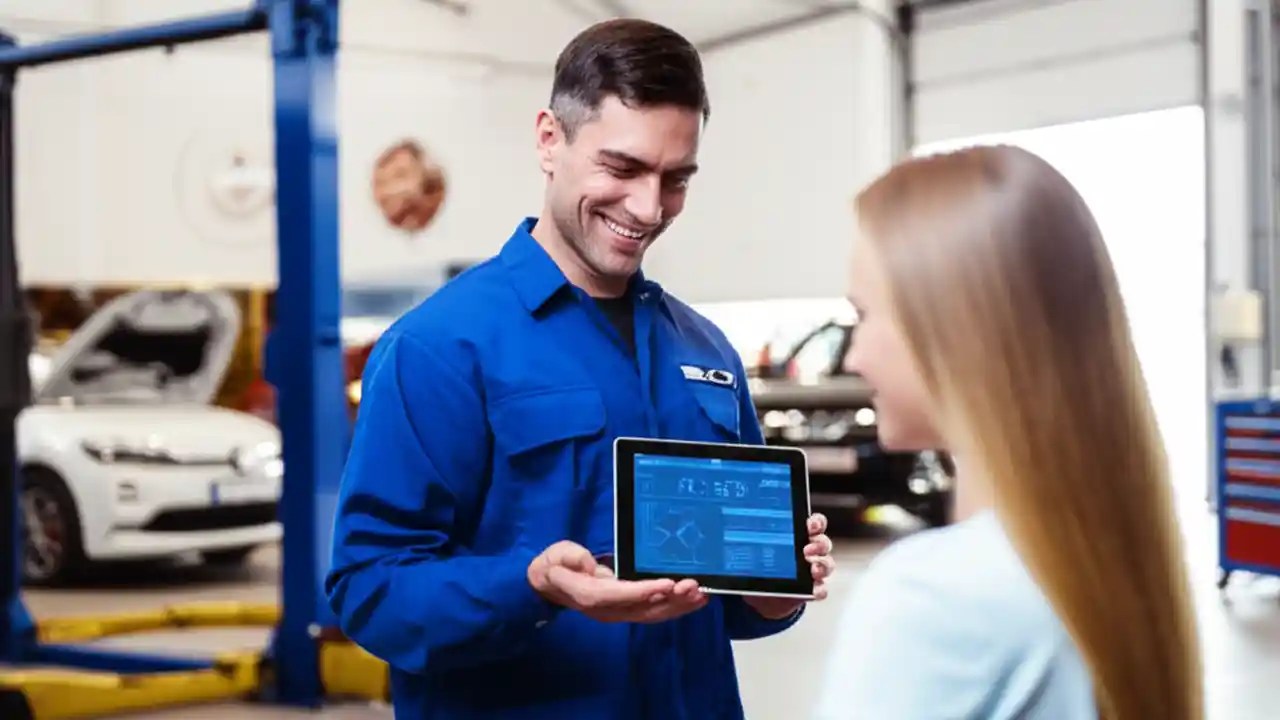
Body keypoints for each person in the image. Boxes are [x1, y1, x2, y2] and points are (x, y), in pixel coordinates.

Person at [325, 18, 835, 720]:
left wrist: (769, 594)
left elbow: (727, 603)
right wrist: (529, 585)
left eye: (675, 179)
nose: (649, 208)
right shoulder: (438, 347)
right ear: (549, 139)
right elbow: (370, 590)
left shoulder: (707, 353)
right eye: (622, 169)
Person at [813, 145, 1203, 719]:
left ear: (952, 331)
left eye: (865, 315)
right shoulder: (1109, 558)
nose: (853, 358)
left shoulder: (933, 598)